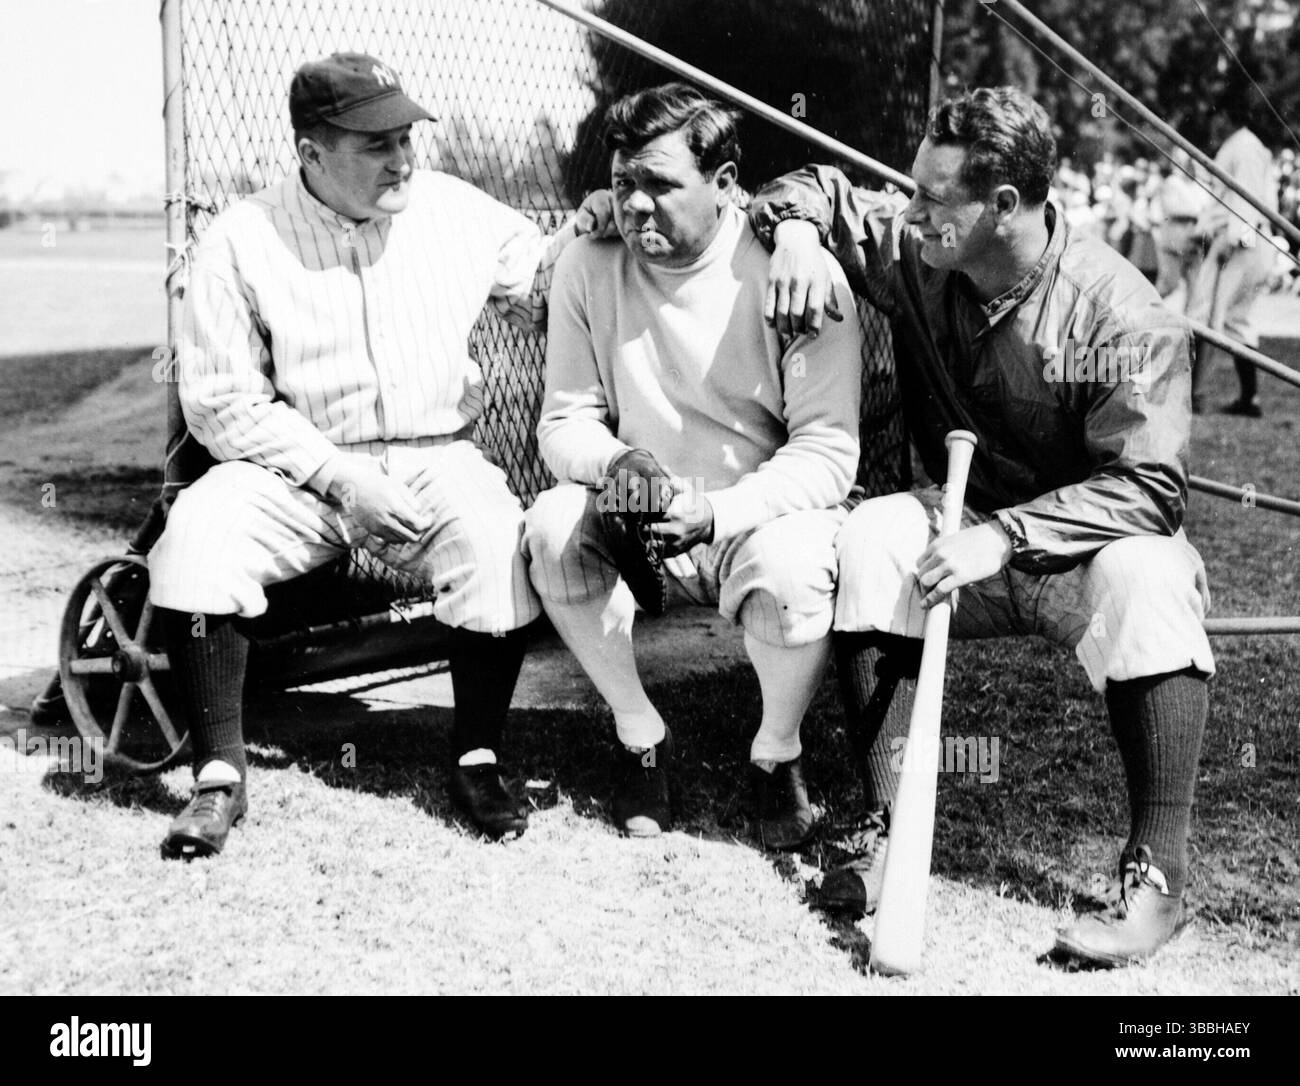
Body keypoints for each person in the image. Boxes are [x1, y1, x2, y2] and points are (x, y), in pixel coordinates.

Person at [751, 86, 1214, 967]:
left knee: (1151, 579)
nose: (911, 210)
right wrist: (803, 232)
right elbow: (809, 185)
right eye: (914, 190)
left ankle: (1156, 881)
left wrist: (1004, 537)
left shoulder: (1120, 312)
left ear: (1004, 206)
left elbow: (1149, 488)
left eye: (933, 196)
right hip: (965, 526)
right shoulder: (923, 250)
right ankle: (883, 828)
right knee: (875, 535)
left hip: (1087, 546)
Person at [148, 52, 607, 856]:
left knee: (494, 539)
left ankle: (477, 758)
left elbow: (541, 270)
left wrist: (590, 220)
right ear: (310, 152)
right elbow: (221, 402)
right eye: (375, 144)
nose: (402, 160)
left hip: (435, 450)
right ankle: (218, 775)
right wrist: (338, 475)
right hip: (300, 464)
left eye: (405, 136)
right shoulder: (241, 238)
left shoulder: (452, 208)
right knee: (196, 535)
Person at [523, 83, 863, 847]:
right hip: (642, 508)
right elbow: (564, 421)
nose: (636, 205)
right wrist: (625, 467)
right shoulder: (587, 260)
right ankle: (640, 736)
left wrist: (717, 512)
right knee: (550, 529)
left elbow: (830, 452)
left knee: (793, 567)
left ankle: (777, 754)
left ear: (726, 183)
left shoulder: (796, 268)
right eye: (622, 184)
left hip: (758, 514)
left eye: (661, 184)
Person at [1185, 95, 1278, 416]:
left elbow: (1247, 200)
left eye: (1216, 115)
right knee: (1228, 317)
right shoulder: (1240, 144)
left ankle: (1197, 394)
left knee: (1211, 313)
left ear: (1226, 115)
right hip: (1243, 240)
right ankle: (1245, 397)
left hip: (1244, 242)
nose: (1213, 122)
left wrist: (1236, 239)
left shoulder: (1244, 146)